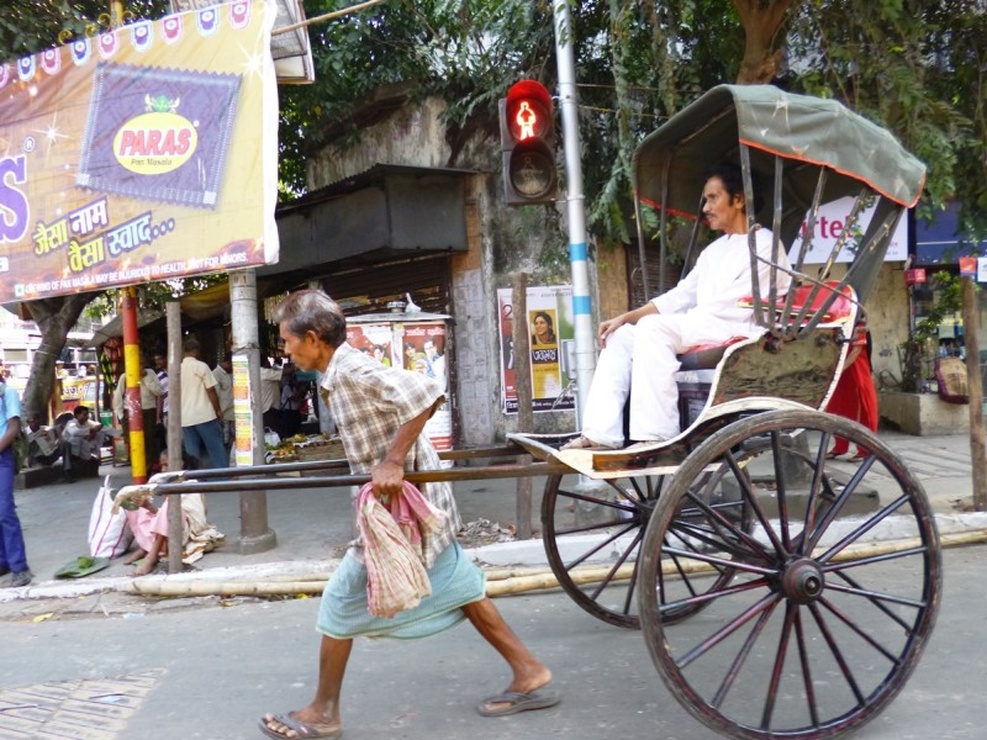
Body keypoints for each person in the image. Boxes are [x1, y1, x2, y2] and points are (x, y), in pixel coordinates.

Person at [259, 289, 558, 739]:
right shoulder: (334, 374)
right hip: (405, 506)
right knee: (462, 585)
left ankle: (323, 712)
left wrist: (393, 459)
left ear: (315, 338)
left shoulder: (352, 369)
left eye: (287, 340)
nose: (285, 350)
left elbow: (426, 392)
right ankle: (529, 669)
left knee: (340, 600)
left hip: (404, 508)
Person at [564, 162, 792, 450]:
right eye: (705, 200)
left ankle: (657, 436)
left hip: (738, 329)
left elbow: (732, 305)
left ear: (739, 199)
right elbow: (679, 296)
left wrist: (675, 323)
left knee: (654, 329)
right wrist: (625, 318)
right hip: (703, 324)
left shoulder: (767, 245)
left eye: (713, 198)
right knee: (620, 337)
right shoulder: (714, 250)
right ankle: (600, 434)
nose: (706, 207)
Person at [123, 450, 225, 575]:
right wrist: (146, 506)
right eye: (162, 466)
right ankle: (145, 548)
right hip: (167, 529)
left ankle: (152, 556)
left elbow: (191, 520)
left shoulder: (191, 484)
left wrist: (154, 506)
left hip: (183, 534)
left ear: (180, 464)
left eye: (166, 465)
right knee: (135, 506)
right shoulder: (168, 484)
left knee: (171, 505)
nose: (163, 469)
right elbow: (164, 516)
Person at [825, 321, 878, 459]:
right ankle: (840, 447)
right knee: (838, 408)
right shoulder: (837, 326)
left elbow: (855, 352)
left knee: (862, 410)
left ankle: (865, 450)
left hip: (857, 373)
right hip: (842, 375)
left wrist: (838, 370)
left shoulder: (860, 326)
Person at [0, 377, 32, 587]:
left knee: (4, 511)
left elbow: (13, 428)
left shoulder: (8, 392)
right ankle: (3, 562)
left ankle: (20, 567)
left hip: (3, 456)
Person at [179, 338, 227, 470]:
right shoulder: (201, 366)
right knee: (215, 448)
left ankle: (195, 479)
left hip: (185, 418)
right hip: (204, 415)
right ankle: (223, 477)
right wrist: (217, 410)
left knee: (192, 452)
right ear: (196, 351)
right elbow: (210, 390)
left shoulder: (177, 370)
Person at [112, 360, 164, 472]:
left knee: (150, 441)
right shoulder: (125, 377)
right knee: (134, 443)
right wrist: (121, 416)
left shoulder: (150, 373)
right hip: (130, 413)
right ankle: (138, 469)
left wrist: (145, 378)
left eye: (141, 365)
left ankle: (150, 468)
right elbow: (117, 398)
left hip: (148, 411)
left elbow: (159, 391)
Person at [61, 405, 118, 481]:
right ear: (77, 415)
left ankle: (122, 434)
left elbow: (99, 427)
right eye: (84, 415)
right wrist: (90, 430)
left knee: (101, 431)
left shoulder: (87, 423)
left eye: (87, 415)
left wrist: (118, 433)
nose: (87, 417)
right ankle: (68, 472)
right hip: (70, 450)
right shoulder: (71, 423)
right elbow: (75, 432)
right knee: (74, 439)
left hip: (82, 451)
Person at [259, 354, 284, 439]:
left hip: (268, 409)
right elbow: (285, 372)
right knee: (273, 435)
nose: (269, 363)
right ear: (265, 362)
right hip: (268, 410)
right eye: (268, 361)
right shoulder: (264, 372)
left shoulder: (259, 372)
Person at [212, 358, 235, 448]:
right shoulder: (215, 374)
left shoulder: (231, 372)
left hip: (233, 412)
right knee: (224, 441)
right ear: (226, 362)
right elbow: (215, 394)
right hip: (223, 413)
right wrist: (217, 411)